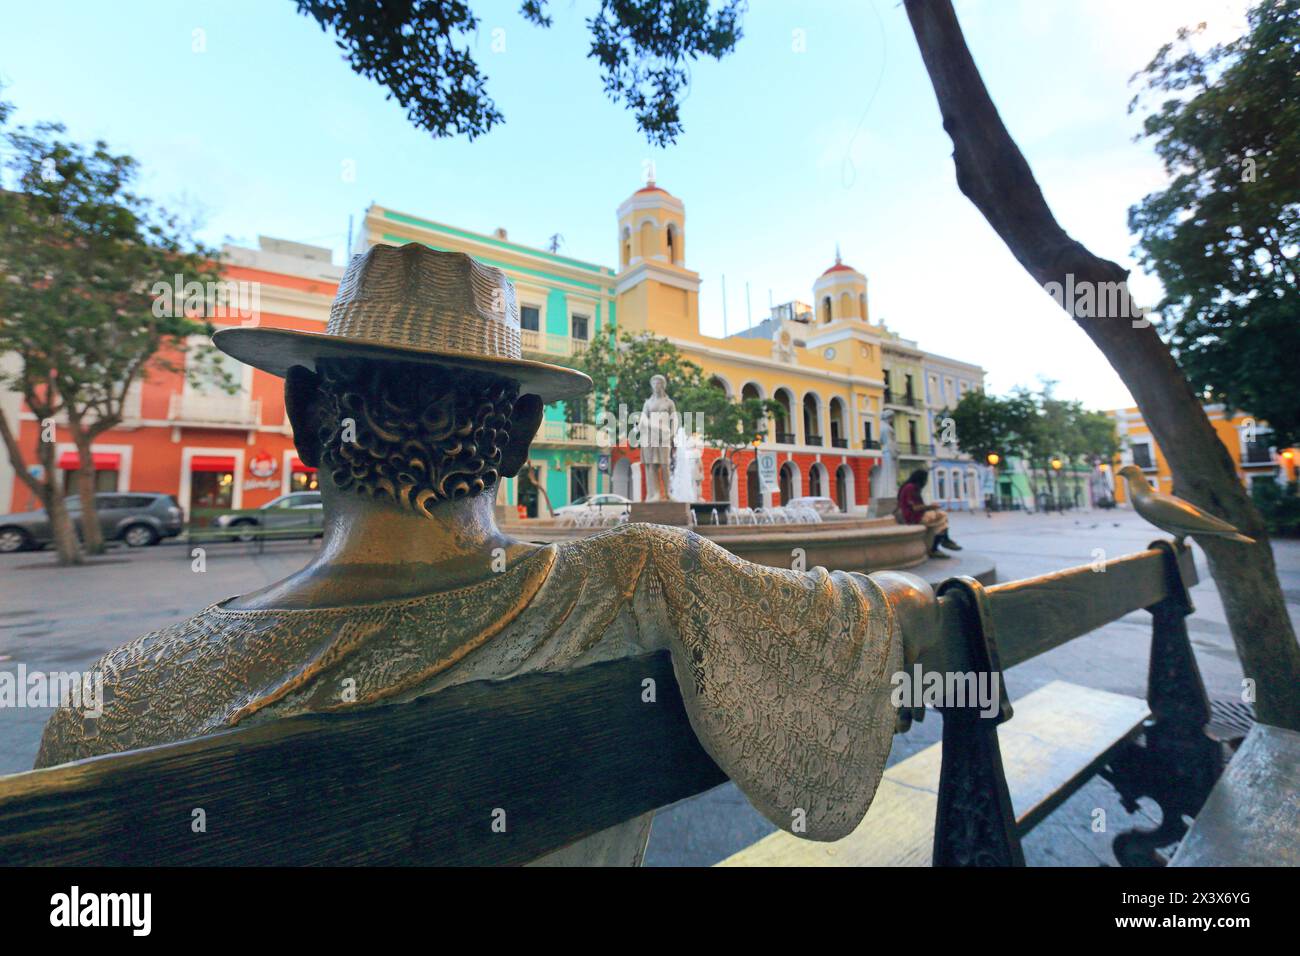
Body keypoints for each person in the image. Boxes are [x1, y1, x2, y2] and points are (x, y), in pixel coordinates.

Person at [35, 244, 930, 865]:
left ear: (306, 419)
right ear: (519, 441)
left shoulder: (121, 708)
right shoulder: (645, 578)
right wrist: (914, 590)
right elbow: (896, 616)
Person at [898, 468, 962, 559]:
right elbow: (916, 508)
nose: (926, 482)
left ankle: (940, 544)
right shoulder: (911, 488)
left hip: (916, 515)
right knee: (942, 516)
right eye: (925, 479)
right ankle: (940, 544)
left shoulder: (910, 487)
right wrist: (931, 507)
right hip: (913, 517)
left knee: (941, 520)